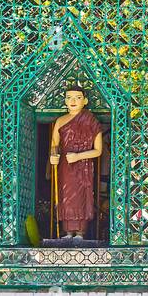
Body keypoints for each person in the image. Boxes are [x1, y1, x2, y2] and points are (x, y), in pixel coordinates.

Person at [48, 85, 105, 239]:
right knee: (66, 196)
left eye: (77, 98)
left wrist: (79, 156)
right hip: (65, 165)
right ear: (65, 101)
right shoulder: (60, 121)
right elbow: (54, 145)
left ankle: (80, 232)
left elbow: (98, 151)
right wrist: (54, 156)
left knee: (81, 197)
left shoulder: (90, 121)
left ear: (85, 101)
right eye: (69, 97)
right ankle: (67, 232)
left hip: (83, 166)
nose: (73, 101)